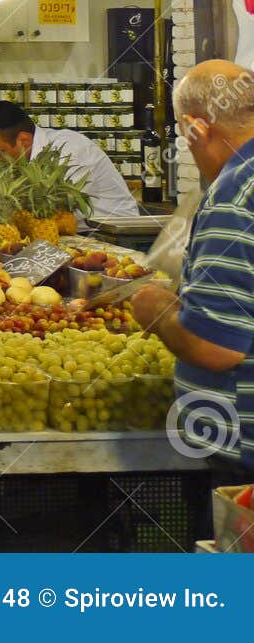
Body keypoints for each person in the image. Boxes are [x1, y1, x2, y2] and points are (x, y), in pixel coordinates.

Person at [132, 61, 254, 478]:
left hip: (241, 453)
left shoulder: (234, 195)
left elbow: (216, 348)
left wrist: (156, 310)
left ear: (196, 128)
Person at [0, 101, 136, 222]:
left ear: (23, 141)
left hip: (113, 237)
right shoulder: (17, 161)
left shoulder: (69, 150)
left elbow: (58, 211)